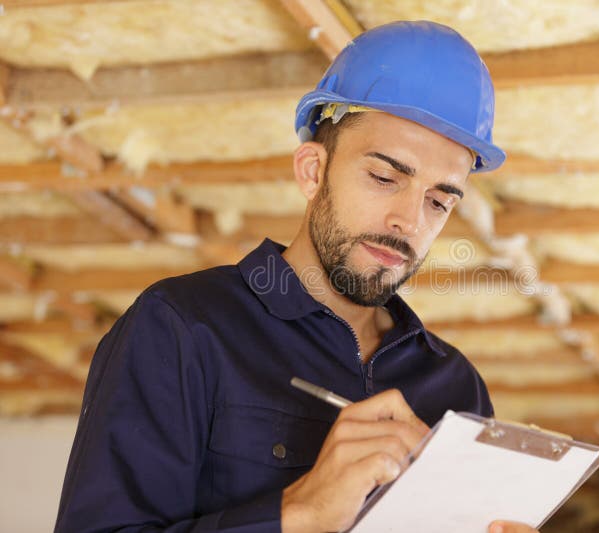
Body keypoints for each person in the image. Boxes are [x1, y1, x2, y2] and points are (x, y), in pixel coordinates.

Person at [55, 21, 539, 533]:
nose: (409, 221)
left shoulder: (458, 389)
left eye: (439, 201)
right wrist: (301, 513)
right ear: (312, 171)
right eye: (383, 177)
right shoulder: (181, 329)